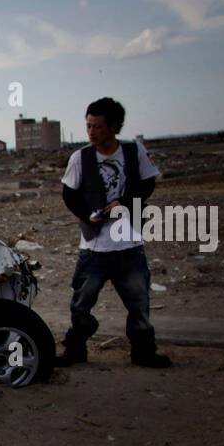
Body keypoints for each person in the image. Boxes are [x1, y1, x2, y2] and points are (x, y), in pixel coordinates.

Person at [57, 97, 171, 368]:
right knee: (81, 305)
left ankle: (143, 351)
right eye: (88, 126)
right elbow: (69, 195)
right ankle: (76, 348)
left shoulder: (134, 152)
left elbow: (147, 184)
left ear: (114, 126)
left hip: (128, 246)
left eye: (97, 126)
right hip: (94, 247)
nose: (92, 132)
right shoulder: (80, 158)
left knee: (138, 304)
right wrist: (88, 215)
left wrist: (126, 202)